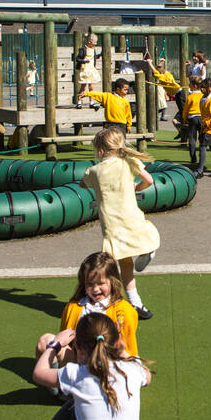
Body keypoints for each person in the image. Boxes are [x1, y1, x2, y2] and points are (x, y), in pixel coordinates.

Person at [2, 313, 157, 420]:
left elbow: (38, 374)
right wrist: (121, 346)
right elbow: (148, 376)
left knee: (72, 405)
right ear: (115, 341)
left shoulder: (78, 375)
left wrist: (54, 345)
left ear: (78, 348)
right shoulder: (132, 368)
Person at [79, 128, 159, 322]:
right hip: (131, 217)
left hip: (111, 223)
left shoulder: (95, 171)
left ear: (99, 151)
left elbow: (82, 183)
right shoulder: (129, 162)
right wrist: (136, 187)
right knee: (149, 237)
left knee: (116, 263)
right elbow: (149, 180)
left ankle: (108, 300)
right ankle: (135, 299)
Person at [59, 252, 141, 354]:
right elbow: (63, 338)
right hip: (79, 360)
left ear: (113, 281)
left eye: (101, 283)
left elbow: (129, 348)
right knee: (45, 340)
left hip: (110, 361)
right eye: (90, 284)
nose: (95, 289)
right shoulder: (73, 306)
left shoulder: (124, 311)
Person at [76, 33, 100, 104]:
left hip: (91, 69)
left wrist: (99, 56)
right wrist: (84, 61)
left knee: (91, 87)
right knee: (83, 86)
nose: (95, 44)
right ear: (89, 41)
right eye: (94, 42)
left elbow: (94, 57)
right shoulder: (83, 49)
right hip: (85, 70)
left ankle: (91, 101)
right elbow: (77, 59)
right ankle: (79, 101)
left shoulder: (93, 49)